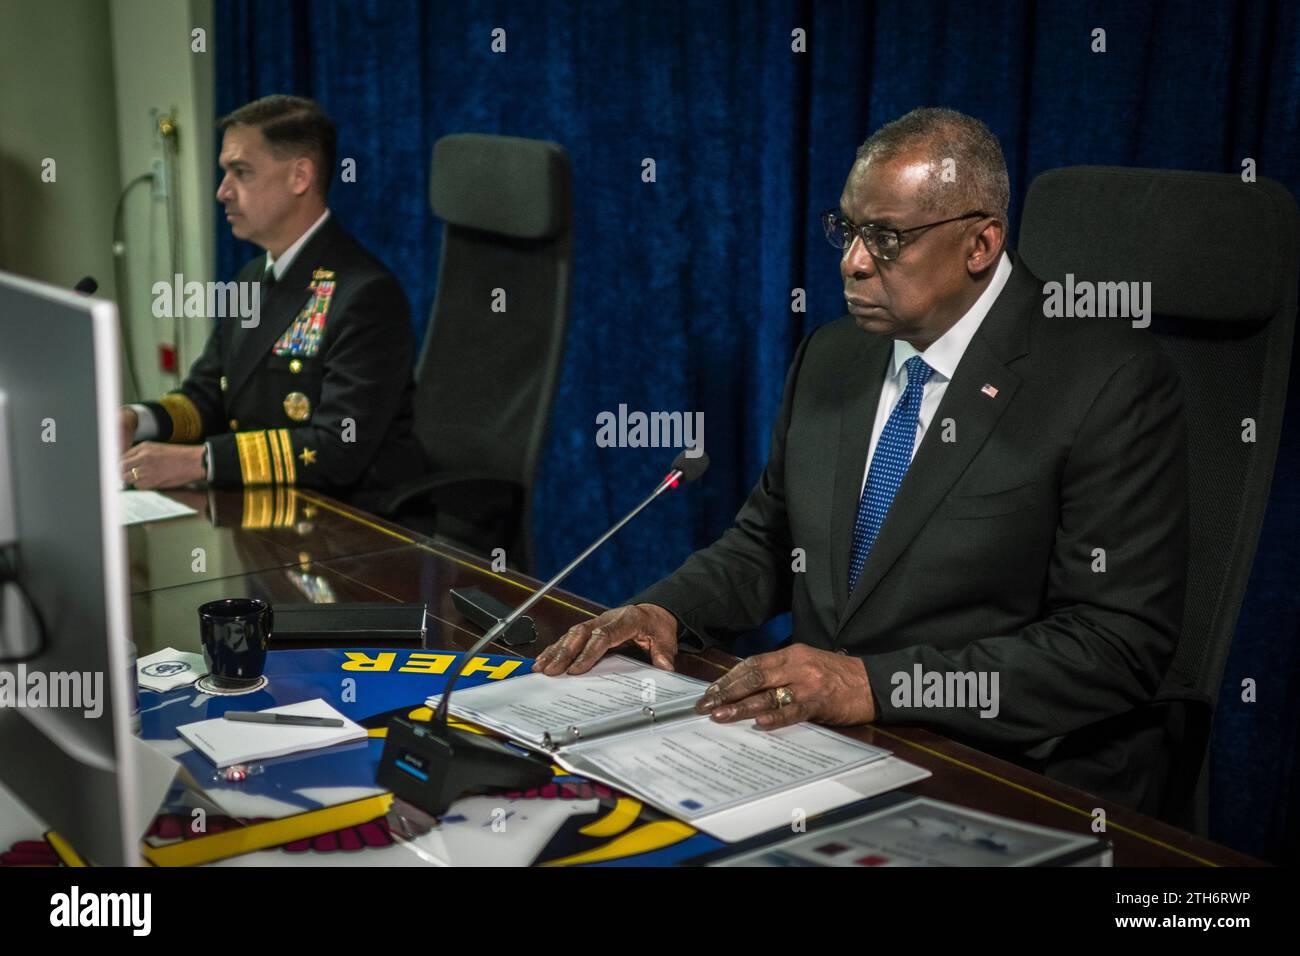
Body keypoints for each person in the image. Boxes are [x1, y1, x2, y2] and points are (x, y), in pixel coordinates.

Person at [534, 107, 1190, 812]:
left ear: (981, 243)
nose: (852, 261)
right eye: (847, 230)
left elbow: (1114, 644)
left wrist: (871, 684)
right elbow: (769, 543)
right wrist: (664, 609)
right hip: (808, 750)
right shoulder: (833, 354)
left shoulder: (1106, 381)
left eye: (887, 238)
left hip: (988, 768)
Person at [119, 94, 424, 507]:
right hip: (263, 512)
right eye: (225, 172)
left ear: (299, 177)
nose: (222, 191)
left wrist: (201, 461)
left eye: (240, 172)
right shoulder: (250, 277)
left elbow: (338, 448)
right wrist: (138, 419)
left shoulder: (364, 293)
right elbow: (208, 395)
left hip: (348, 529)